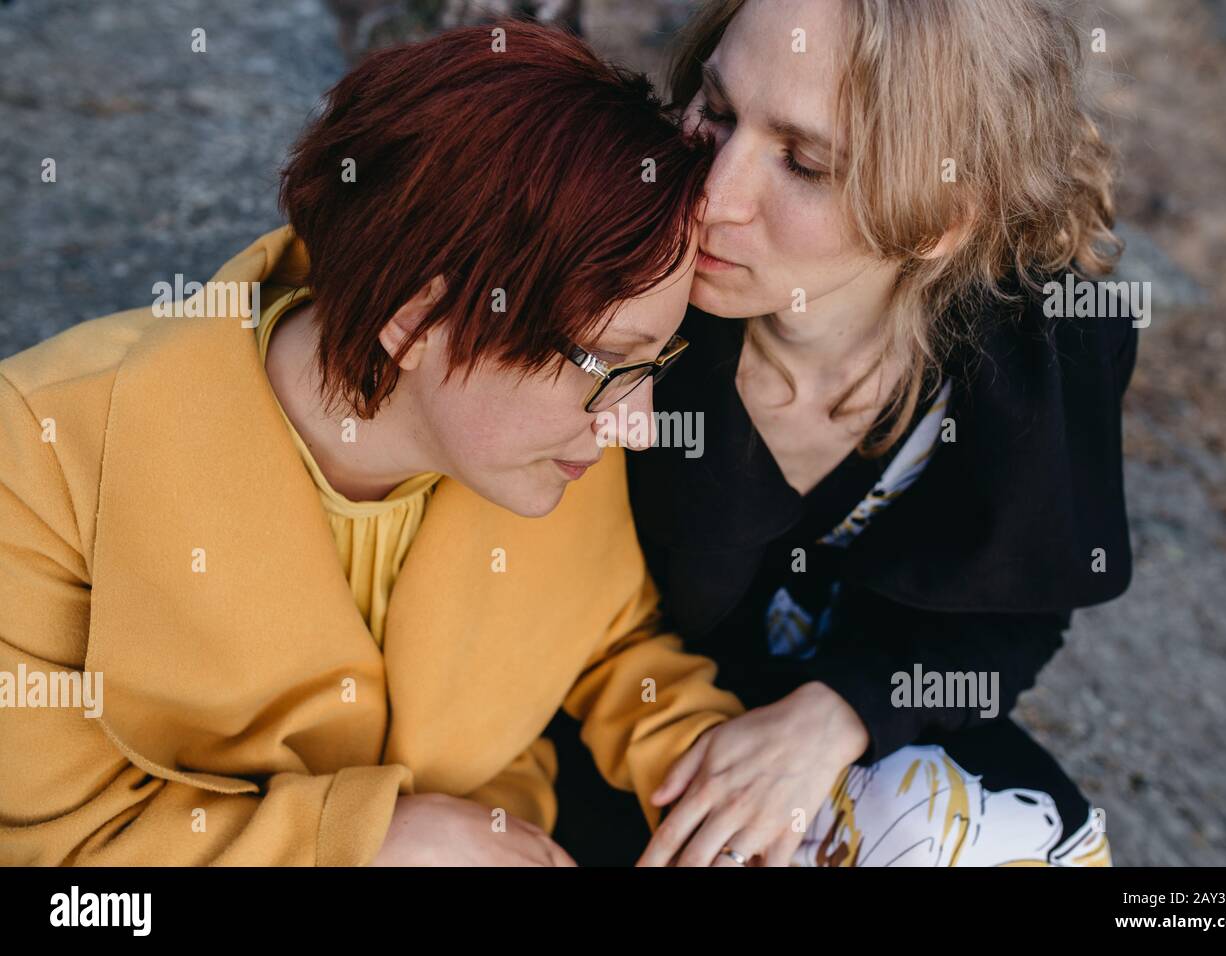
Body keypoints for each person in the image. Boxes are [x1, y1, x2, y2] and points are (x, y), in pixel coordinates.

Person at [0, 21, 746, 867]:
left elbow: (605, 641)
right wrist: (366, 843)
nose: (638, 425)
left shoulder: (552, 443)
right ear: (417, 319)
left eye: (655, 363)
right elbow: (60, 863)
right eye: (609, 361)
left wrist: (721, 784)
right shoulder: (36, 457)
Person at [547, 0, 1135, 867]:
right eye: (716, 109)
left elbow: (1017, 615)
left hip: (864, 747)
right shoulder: (625, 305)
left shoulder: (1043, 339)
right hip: (616, 759)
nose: (712, 196)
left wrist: (844, 709)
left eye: (805, 162)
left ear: (942, 220)